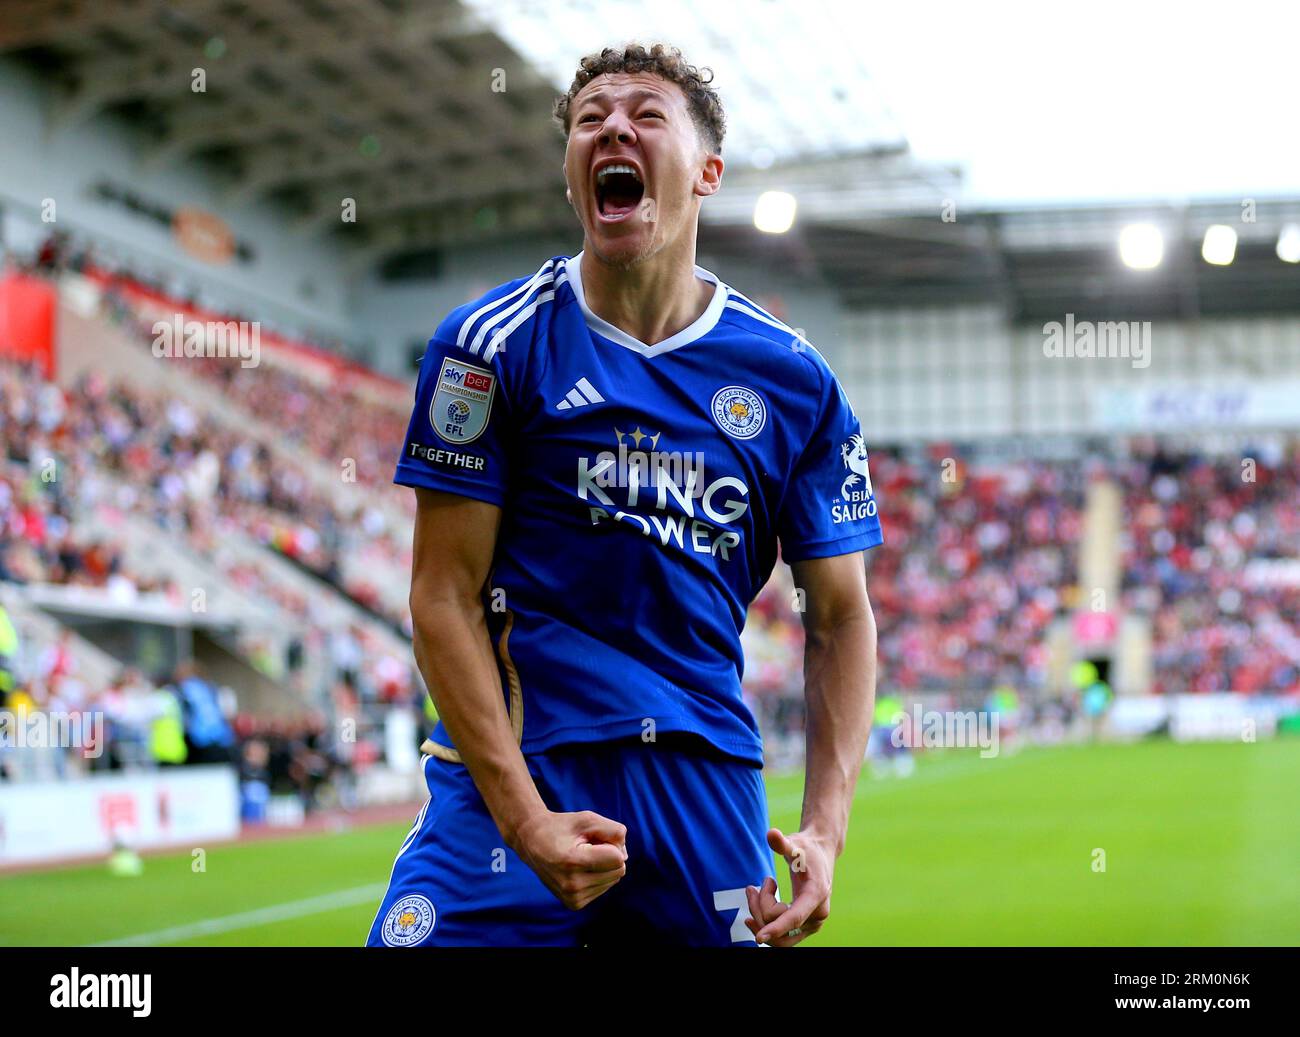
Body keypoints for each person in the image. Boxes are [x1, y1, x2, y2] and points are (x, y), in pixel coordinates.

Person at [368, 43, 882, 948]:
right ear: (574, 174)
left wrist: (827, 830)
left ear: (707, 172)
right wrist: (526, 822)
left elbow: (840, 617)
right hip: (513, 785)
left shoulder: (796, 379)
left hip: (704, 788)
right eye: (591, 117)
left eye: (647, 114)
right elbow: (440, 594)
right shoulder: (489, 344)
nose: (613, 126)